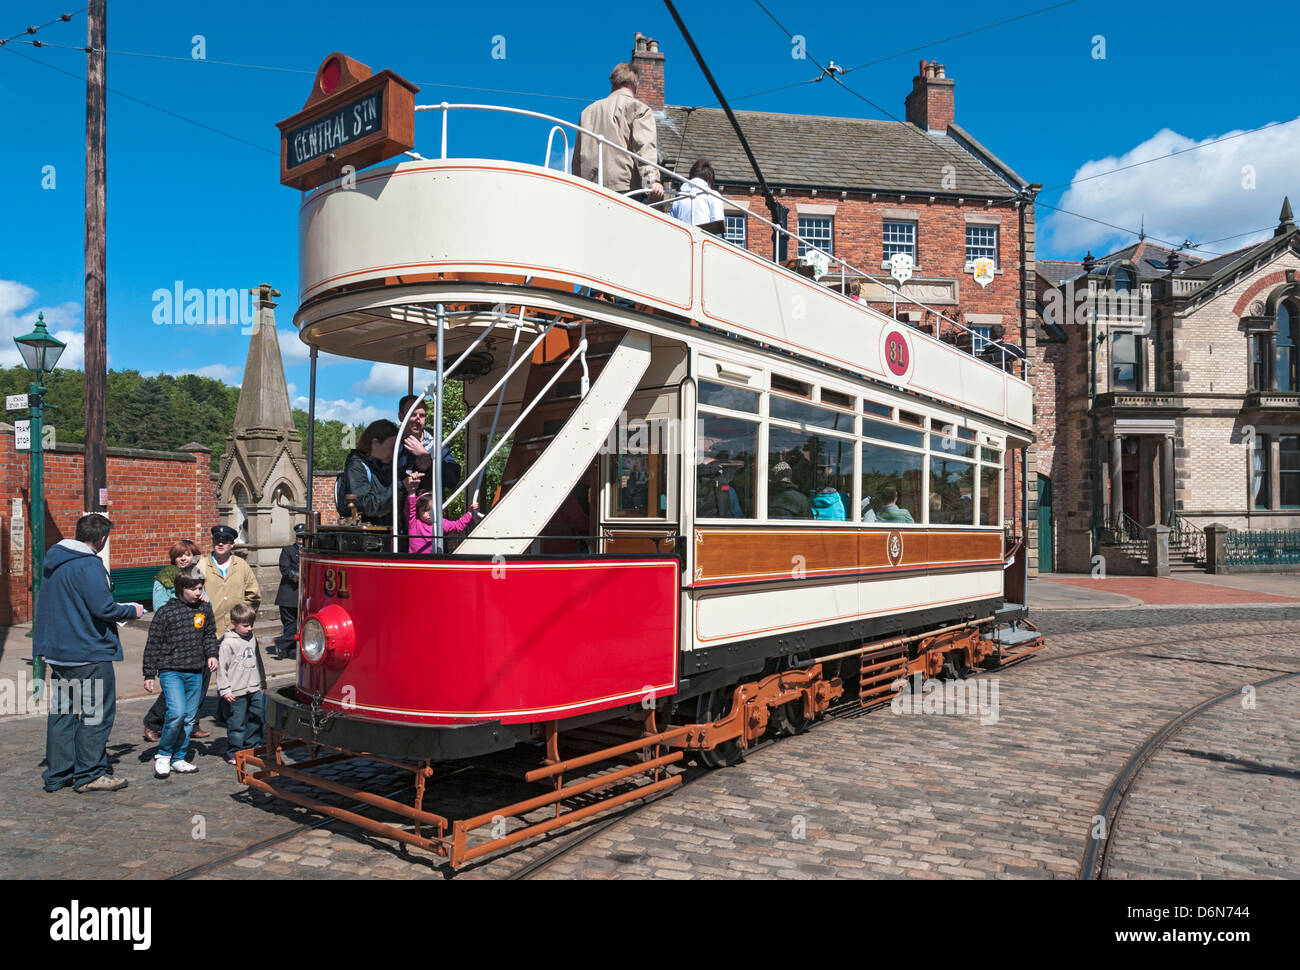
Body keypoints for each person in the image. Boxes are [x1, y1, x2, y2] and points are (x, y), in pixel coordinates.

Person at [34, 513, 144, 793]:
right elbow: (103, 608)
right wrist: (132, 610)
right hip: (88, 651)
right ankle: (90, 773)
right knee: (95, 714)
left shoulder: (54, 562)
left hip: (60, 652)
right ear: (103, 538)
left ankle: (59, 773)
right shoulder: (88, 565)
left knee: (62, 714)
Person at [142, 565, 217, 779]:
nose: (198, 592)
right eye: (193, 588)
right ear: (181, 588)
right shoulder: (166, 612)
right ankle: (164, 755)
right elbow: (153, 643)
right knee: (176, 713)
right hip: (171, 670)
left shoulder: (204, 609)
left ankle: (179, 757)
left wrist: (212, 654)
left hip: (195, 670)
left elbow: (209, 634)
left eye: (200, 588)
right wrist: (149, 673)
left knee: (190, 718)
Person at [572, 62, 664, 203]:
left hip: (590, 191)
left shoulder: (587, 112)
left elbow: (577, 160)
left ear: (612, 82)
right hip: (626, 190)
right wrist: (653, 181)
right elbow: (645, 147)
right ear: (636, 84)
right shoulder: (638, 108)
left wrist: (578, 190)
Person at [143, 538, 204, 742]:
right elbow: (160, 608)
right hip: (173, 639)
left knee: (195, 685)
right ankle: (152, 721)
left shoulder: (197, 575)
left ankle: (192, 723)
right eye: (180, 555)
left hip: (195, 637)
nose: (184, 558)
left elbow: (207, 601)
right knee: (175, 684)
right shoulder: (165, 577)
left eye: (187, 554)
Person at [203, 524, 261, 728]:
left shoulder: (241, 566)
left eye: (226, 541)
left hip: (236, 632)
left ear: (232, 544)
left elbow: (253, 593)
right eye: (217, 540)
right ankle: (182, 720)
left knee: (238, 672)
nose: (221, 544)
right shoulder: (201, 567)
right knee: (202, 677)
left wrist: (246, 617)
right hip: (209, 631)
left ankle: (228, 713)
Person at [344, 419, 421, 528]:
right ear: (375, 443)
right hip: (371, 538)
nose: (395, 453)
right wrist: (401, 486)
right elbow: (367, 506)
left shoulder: (387, 467)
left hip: (390, 535)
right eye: (391, 447)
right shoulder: (356, 467)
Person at [217, 602, 266, 765]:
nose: (249, 628)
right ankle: (234, 751)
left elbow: (258, 660)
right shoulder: (228, 642)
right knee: (236, 722)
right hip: (236, 690)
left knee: (257, 716)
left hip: (254, 686)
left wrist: (262, 682)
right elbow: (221, 667)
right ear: (234, 623)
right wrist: (224, 689)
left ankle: (252, 745)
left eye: (251, 625)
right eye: (245, 625)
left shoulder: (252, 637)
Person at [397, 394, 461, 506]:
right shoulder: (392, 444)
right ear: (401, 416)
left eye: (422, 415)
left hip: (431, 516)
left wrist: (428, 459)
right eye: (412, 414)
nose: (418, 419)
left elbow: (453, 479)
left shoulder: (437, 442)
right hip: (401, 516)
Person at [270, 524, 305, 660]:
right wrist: (303, 577)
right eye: (299, 537)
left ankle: (288, 650)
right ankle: (282, 644)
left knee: (300, 624)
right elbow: (285, 569)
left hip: (303, 596)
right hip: (289, 595)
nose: (301, 540)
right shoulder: (288, 550)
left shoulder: (310, 551)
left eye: (303, 537)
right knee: (291, 624)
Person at [407, 492, 477, 554]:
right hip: (415, 561)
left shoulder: (441, 523)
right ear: (418, 511)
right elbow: (410, 509)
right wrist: (411, 492)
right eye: (425, 510)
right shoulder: (413, 523)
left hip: (433, 561)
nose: (429, 513)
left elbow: (457, 526)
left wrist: (470, 513)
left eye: (432, 510)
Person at [670, 159, 724, 231]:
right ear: (709, 181)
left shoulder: (677, 200)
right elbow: (718, 228)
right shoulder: (714, 195)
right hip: (705, 240)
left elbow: (672, 228)